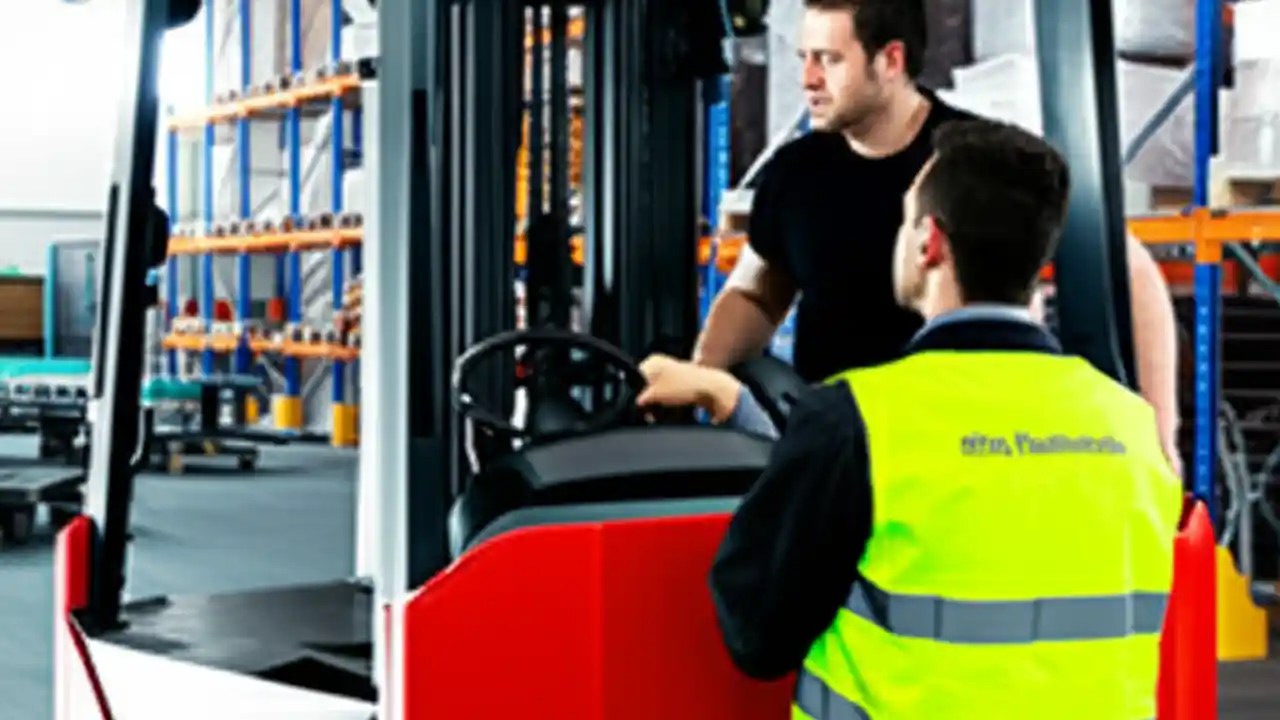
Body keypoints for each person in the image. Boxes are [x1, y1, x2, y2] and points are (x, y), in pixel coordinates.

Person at [642, 119, 1184, 719]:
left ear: (930, 243)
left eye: (904, 221)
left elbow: (757, 634)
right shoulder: (1130, 426)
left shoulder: (860, 418)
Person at [695, 0, 1183, 475]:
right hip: (838, 450)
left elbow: (1129, 271)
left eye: (829, 60)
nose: (808, 79)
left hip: (960, 450)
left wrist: (1158, 432)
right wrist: (697, 387)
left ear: (891, 60)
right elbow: (756, 293)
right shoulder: (795, 173)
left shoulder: (973, 163)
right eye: (805, 58)